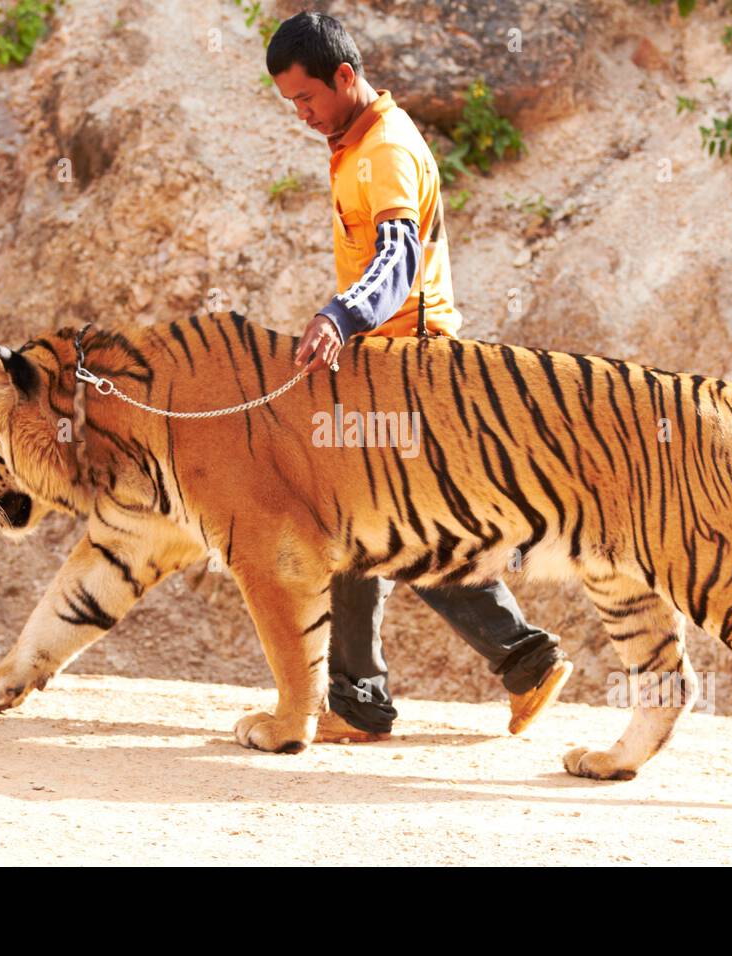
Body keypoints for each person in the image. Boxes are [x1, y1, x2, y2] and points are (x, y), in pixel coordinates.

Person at [266, 11, 573, 742]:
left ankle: (381, 695)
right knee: (370, 531)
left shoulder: (386, 151)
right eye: (291, 105)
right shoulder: (357, 141)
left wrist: (343, 314)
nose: (303, 117)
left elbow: (397, 259)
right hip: (390, 368)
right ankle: (409, 687)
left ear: (345, 77)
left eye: (307, 99)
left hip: (413, 372)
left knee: (373, 532)